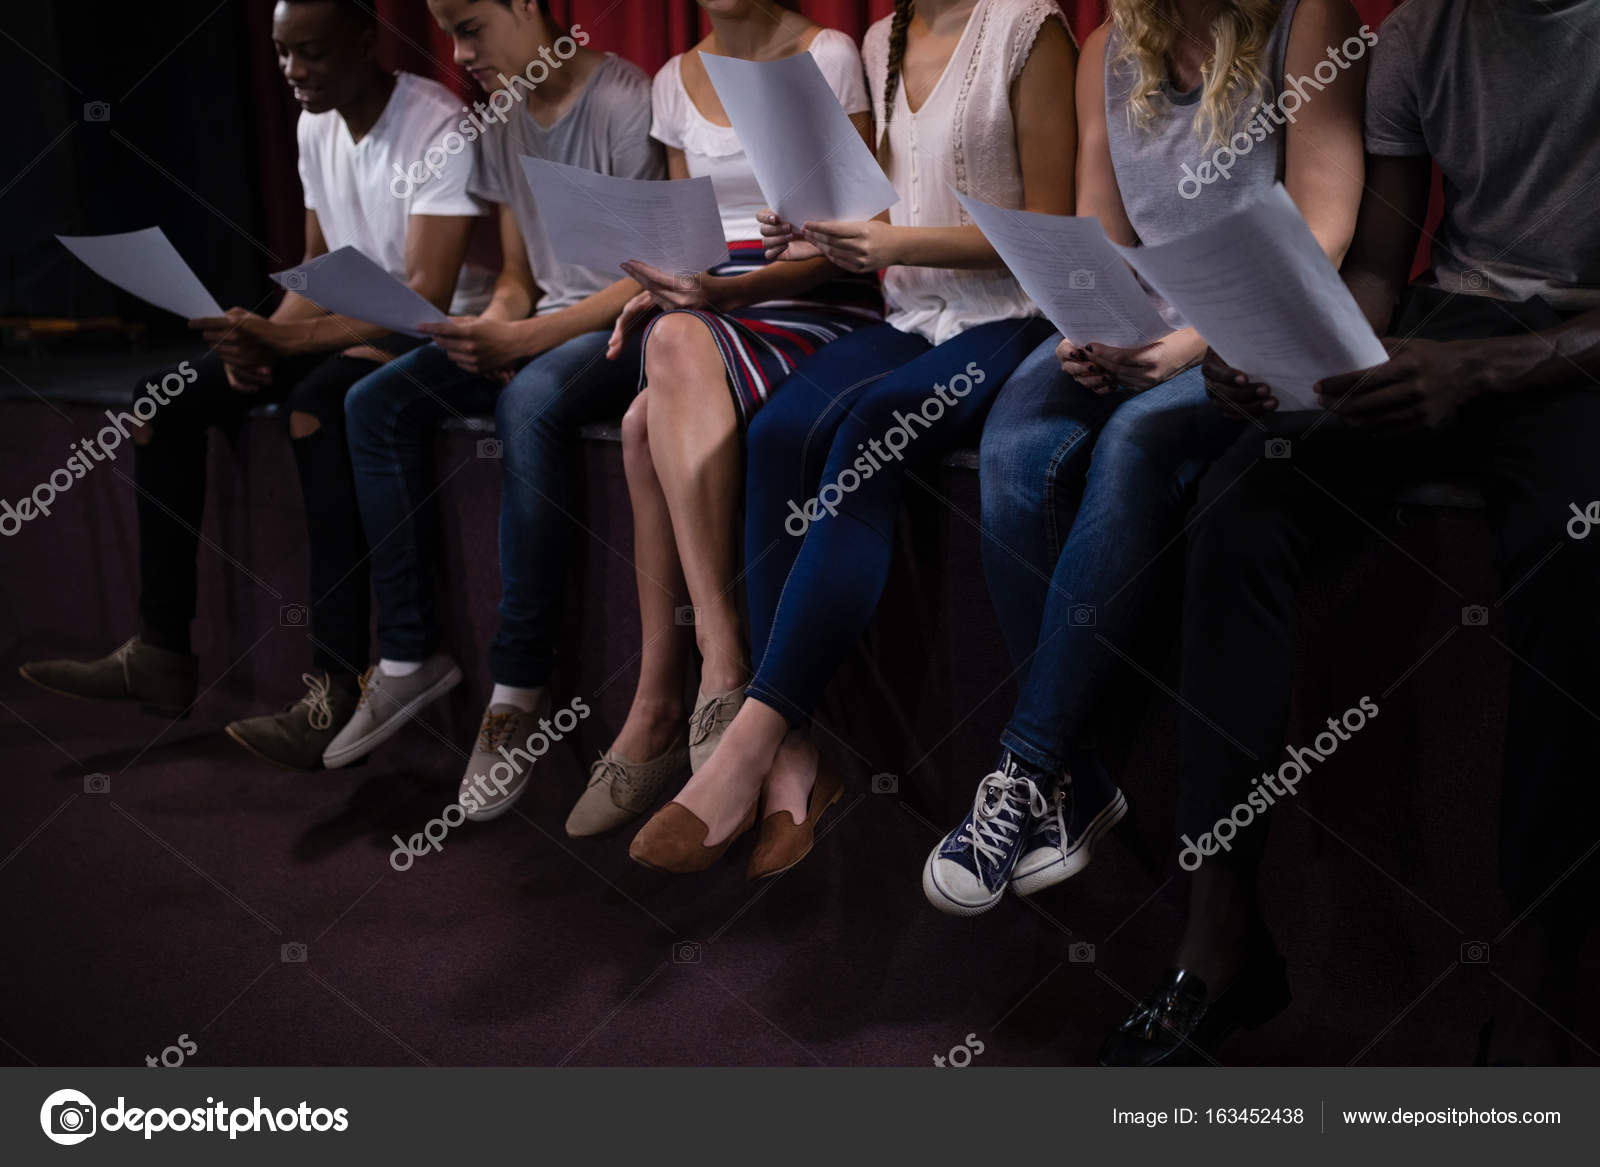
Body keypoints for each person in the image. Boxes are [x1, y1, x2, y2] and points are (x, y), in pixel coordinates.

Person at [1105, 0, 1600, 1065]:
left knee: (1576, 545)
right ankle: (1220, 935)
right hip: (1449, 317)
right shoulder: (1427, 26)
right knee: (1241, 497)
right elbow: (1377, 268)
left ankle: (1543, 974)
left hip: (1579, 345)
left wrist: (1488, 370)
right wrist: (1285, 356)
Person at [925, 0, 1366, 918]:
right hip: (1147, 329)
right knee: (1014, 446)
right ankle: (1078, 788)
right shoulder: (1103, 51)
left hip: (1264, 326)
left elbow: (1325, 235)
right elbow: (1103, 240)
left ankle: (1028, 765)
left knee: (1137, 439)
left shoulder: (1309, 18)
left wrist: (1179, 350)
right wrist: (1092, 324)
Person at [627, 0, 1077, 878]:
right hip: (912, 314)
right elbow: (873, 208)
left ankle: (758, 735)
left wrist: (887, 238)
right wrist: (813, 233)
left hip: (1013, 318)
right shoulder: (882, 38)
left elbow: (1052, 235)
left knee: (869, 426)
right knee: (781, 425)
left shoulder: (1032, 26)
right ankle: (800, 762)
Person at [19, 0, 490, 770]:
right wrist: (258, 331)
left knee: (315, 409)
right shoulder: (313, 125)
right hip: (346, 322)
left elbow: (423, 294)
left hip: (426, 332)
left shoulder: (435, 123)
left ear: (366, 43)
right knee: (159, 405)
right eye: (280, 55)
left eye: (312, 53)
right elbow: (318, 271)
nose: (294, 73)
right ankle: (161, 650)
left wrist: (292, 338)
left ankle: (333, 683)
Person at [326, 0, 664, 820]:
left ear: (526, 7)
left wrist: (527, 338)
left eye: (471, 26)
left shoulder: (625, 102)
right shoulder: (500, 116)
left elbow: (647, 275)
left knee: (533, 403)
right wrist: (495, 325)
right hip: (543, 324)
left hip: (618, 327)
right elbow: (517, 270)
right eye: (447, 31)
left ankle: (518, 687)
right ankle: (408, 653)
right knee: (375, 401)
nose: (457, 49)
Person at [563, 0, 883, 839]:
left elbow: (849, 244)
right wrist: (662, 281)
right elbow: (689, 238)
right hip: (716, 308)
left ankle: (710, 667)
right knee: (639, 423)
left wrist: (718, 296)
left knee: (662, 370)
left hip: (815, 300)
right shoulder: (675, 78)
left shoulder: (832, 53)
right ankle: (665, 695)